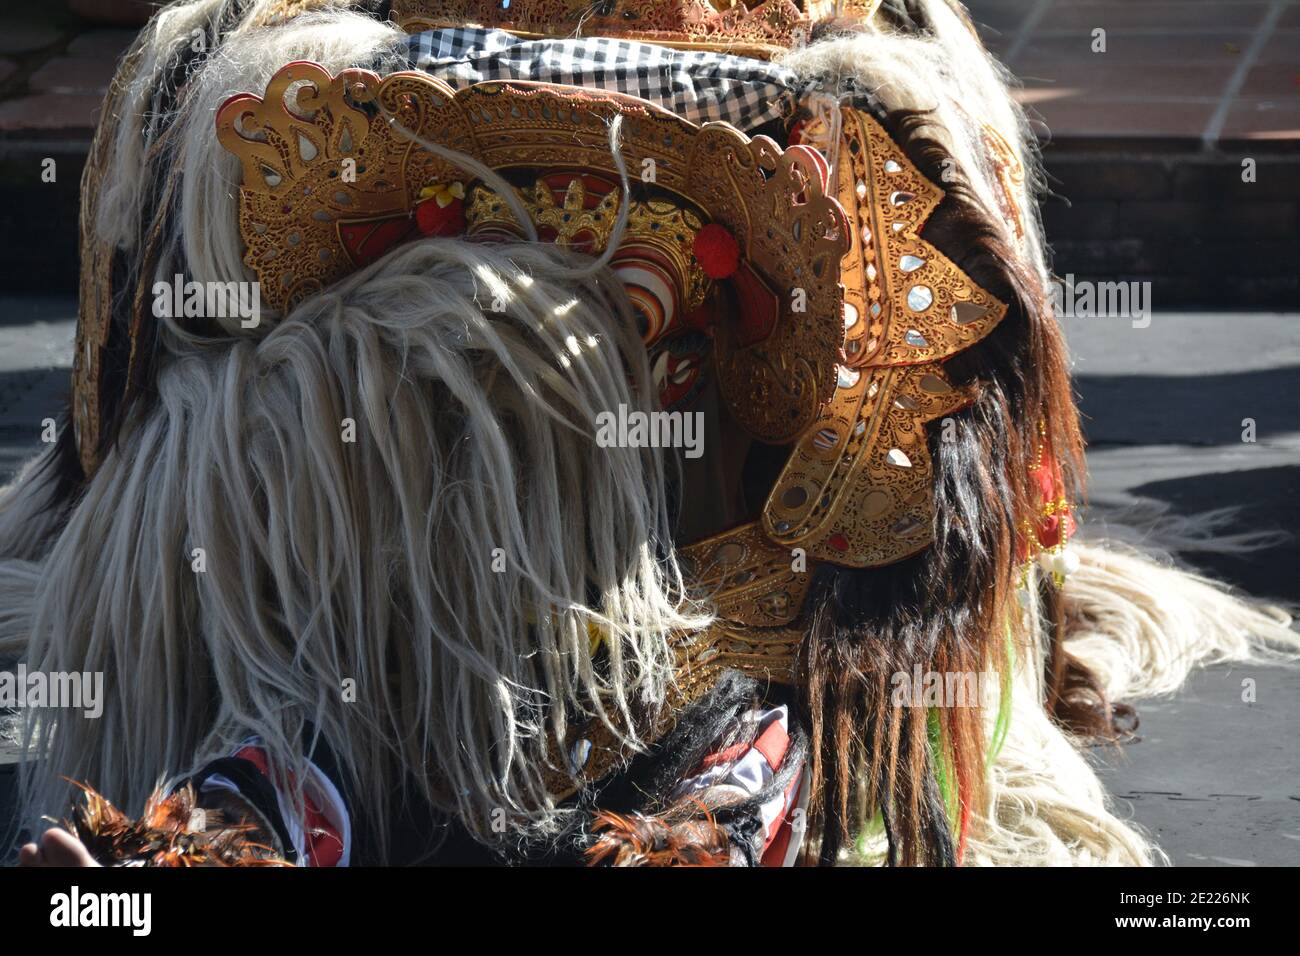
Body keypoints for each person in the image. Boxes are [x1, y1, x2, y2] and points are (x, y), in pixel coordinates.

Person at [2, 0, 1293, 867]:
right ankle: (257, 803)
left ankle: (698, 810)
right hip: (391, 477)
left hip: (704, 572)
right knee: (331, 686)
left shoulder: (858, 109)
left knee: (749, 709)